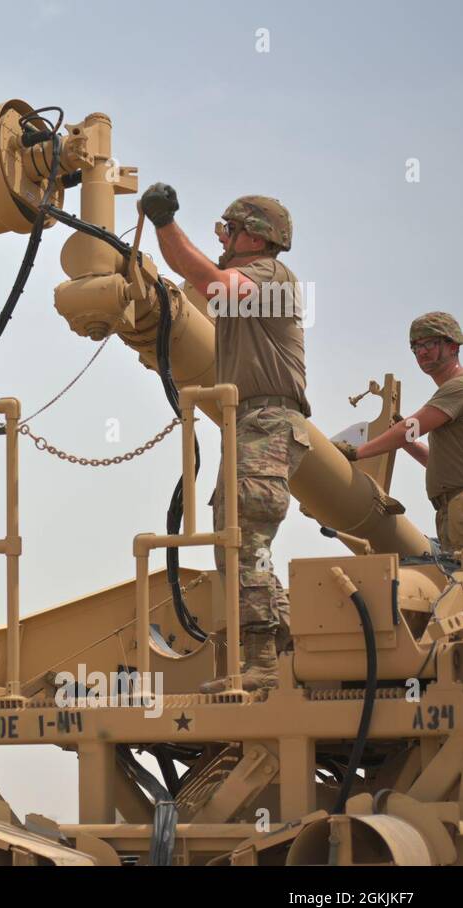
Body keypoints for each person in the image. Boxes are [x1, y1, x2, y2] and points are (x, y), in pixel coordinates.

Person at [139, 185, 310, 693]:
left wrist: (166, 223)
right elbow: (199, 281)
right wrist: (161, 227)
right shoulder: (245, 282)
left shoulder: (271, 277)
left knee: (243, 541)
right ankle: (282, 655)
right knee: (235, 539)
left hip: (268, 423)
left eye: (230, 229)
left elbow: (211, 284)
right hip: (251, 426)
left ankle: (262, 667)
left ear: (254, 237)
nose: (224, 237)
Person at [335, 312, 463, 555]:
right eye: (415, 346)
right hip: (450, 506)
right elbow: (436, 461)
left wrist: (358, 451)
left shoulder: (458, 388)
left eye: (430, 343)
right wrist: (407, 443)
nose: (421, 352)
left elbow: (411, 428)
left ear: (453, 346)